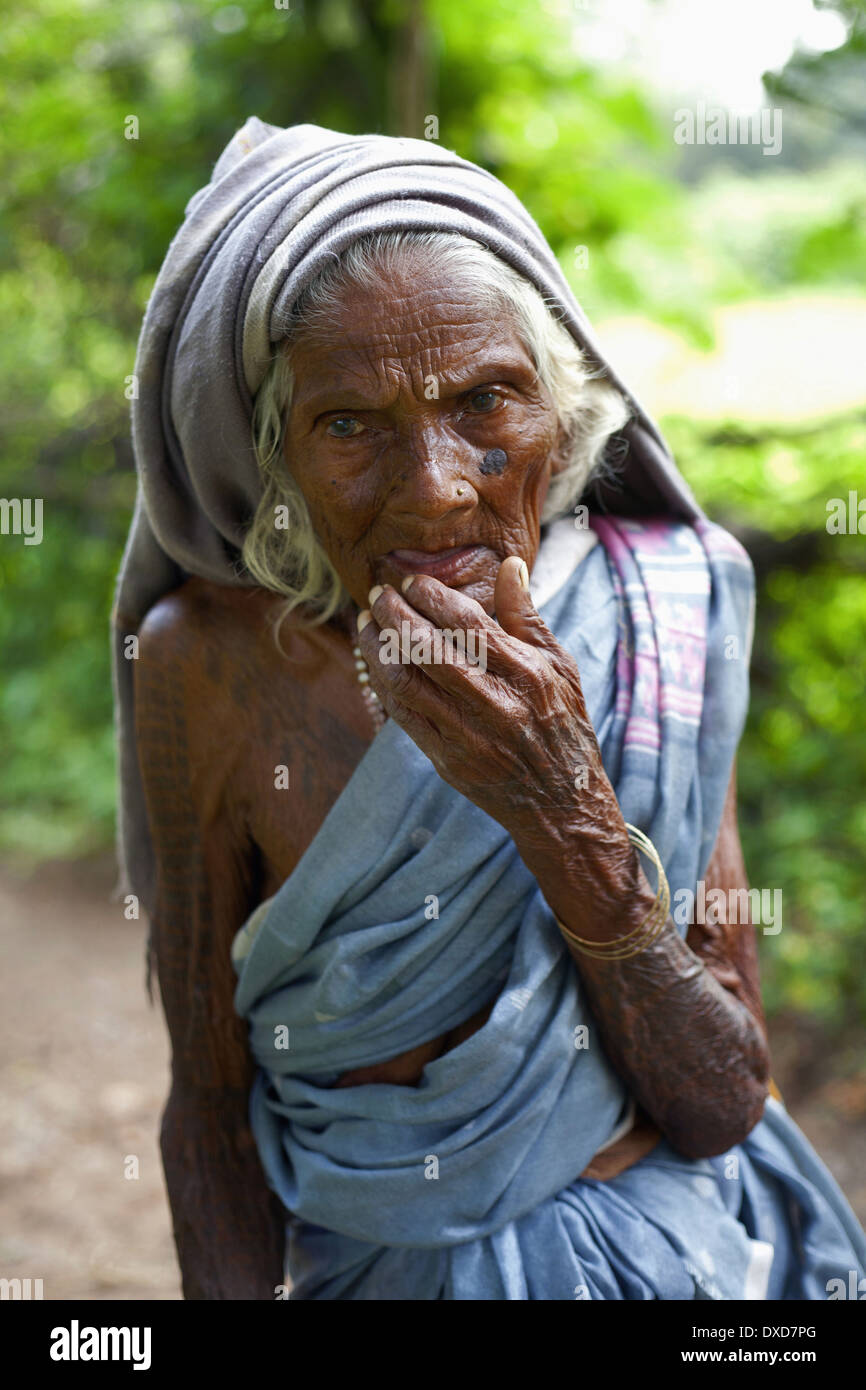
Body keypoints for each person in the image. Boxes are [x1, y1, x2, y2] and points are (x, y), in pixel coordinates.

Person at [113, 118, 866, 1300]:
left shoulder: (656, 606)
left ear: (559, 418)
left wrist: (560, 810)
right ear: (276, 460)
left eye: (484, 402)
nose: (436, 490)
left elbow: (719, 1103)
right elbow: (208, 1103)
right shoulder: (207, 670)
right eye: (349, 425)